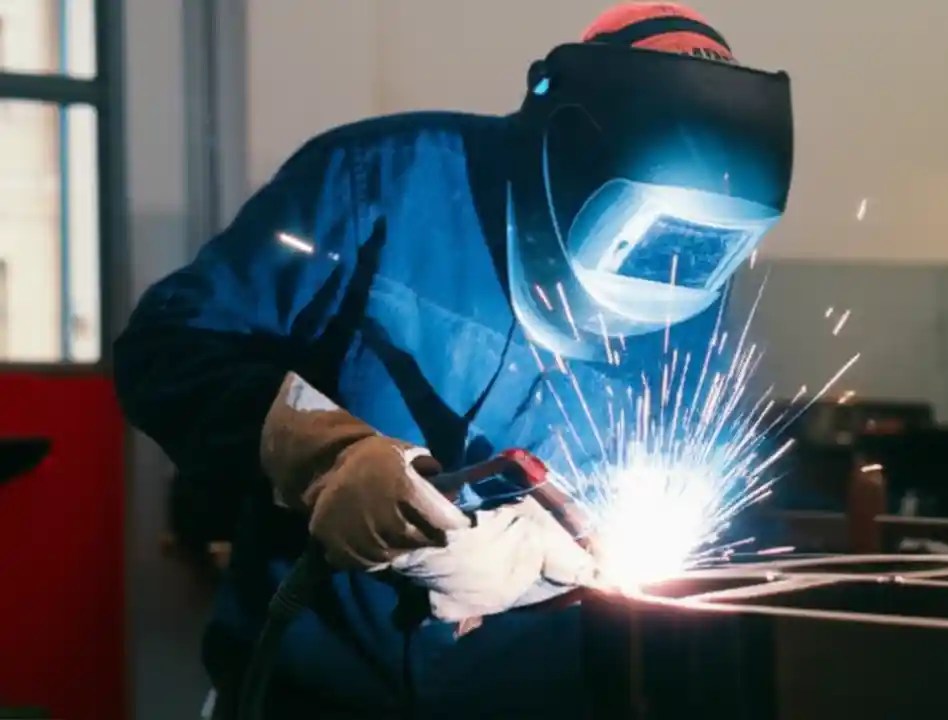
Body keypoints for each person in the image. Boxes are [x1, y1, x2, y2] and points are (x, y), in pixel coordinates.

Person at [113, 2, 793, 718]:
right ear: (571, 147)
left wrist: (554, 566)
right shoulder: (373, 185)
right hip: (307, 684)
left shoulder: (689, 282)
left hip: (522, 698)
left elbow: (689, 480)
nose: (665, 265)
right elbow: (167, 346)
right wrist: (324, 457)